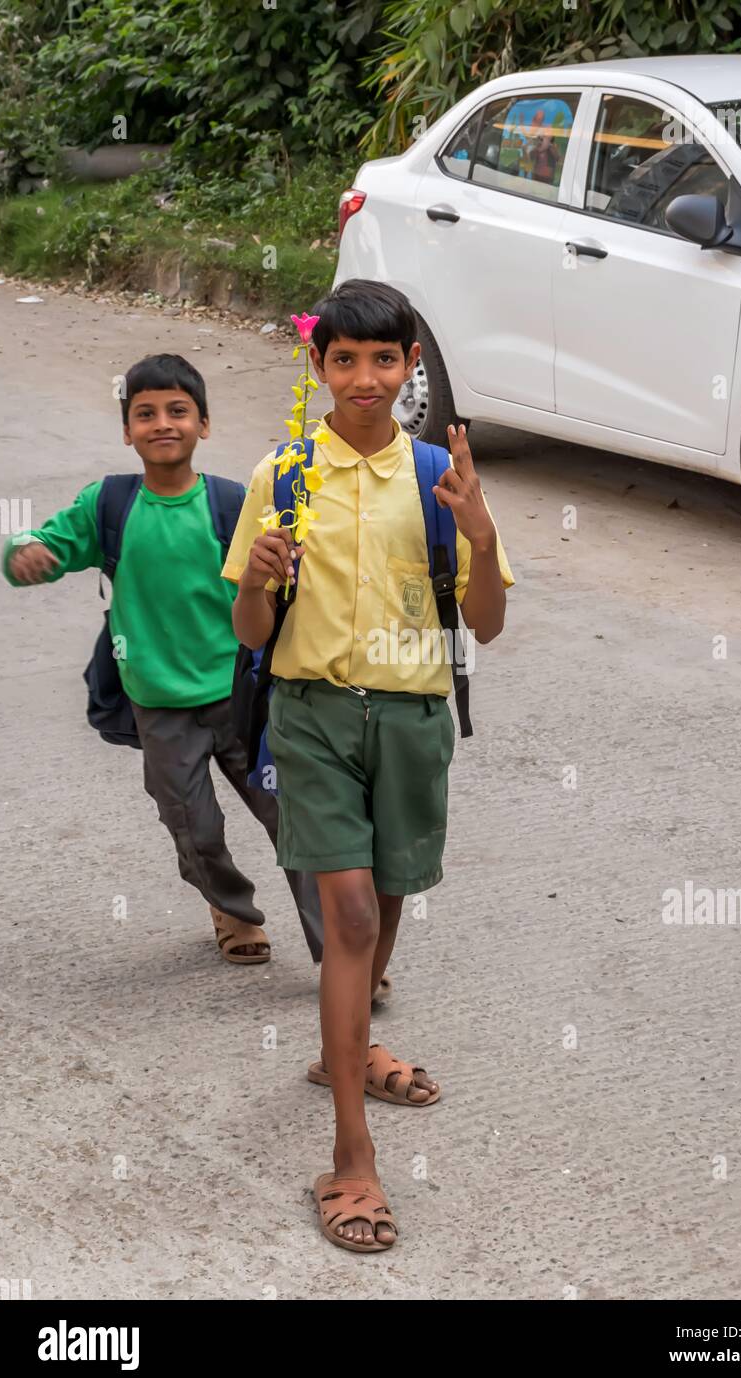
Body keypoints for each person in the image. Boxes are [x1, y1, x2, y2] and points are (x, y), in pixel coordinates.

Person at [224, 280, 513, 1250]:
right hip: (309, 714)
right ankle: (350, 1156)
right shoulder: (284, 472)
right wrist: (258, 583)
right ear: (318, 368)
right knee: (346, 910)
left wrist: (475, 533)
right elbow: (252, 631)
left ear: (408, 368)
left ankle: (342, 1048)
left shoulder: (439, 473)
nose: (362, 377)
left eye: (382, 359)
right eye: (342, 359)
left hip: (411, 716)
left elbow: (484, 624)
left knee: (385, 897)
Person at [2, 353, 323, 966]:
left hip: (243, 697)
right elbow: (46, 542)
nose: (162, 423)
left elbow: (287, 576)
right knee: (194, 830)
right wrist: (26, 550)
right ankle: (234, 910)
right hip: (160, 708)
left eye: (178, 410)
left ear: (204, 423)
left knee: (296, 822)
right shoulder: (110, 506)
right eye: (144, 413)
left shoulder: (233, 505)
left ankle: (341, 951)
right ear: (127, 431)